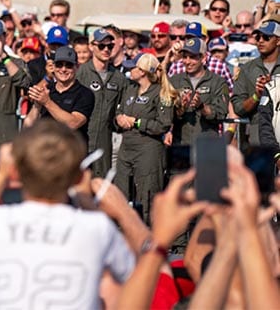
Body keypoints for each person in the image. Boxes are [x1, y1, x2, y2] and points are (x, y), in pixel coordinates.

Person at [0, 120, 135, 309]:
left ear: (14, 173)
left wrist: (0, 177)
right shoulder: (97, 228)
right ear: (78, 177)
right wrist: (103, 207)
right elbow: (137, 274)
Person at [114, 53, 176, 223]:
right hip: (126, 148)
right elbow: (119, 110)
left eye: (133, 67)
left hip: (148, 149)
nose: (129, 70)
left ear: (142, 71)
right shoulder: (130, 89)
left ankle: (149, 234)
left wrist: (138, 122)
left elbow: (163, 124)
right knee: (121, 192)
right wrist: (119, 118)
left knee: (147, 196)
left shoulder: (161, 93)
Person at [75, 29, 129, 176]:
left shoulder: (119, 78)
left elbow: (121, 109)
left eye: (110, 46)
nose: (106, 50)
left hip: (105, 142)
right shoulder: (81, 73)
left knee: (101, 184)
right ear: (92, 46)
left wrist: (120, 119)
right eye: (101, 46)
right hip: (81, 139)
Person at [24, 46, 94, 144]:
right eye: (59, 65)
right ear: (53, 67)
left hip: (71, 153)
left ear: (77, 67)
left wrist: (47, 102)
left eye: (69, 65)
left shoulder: (84, 94)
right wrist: (37, 105)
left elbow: (73, 123)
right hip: (45, 151)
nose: (63, 69)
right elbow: (28, 125)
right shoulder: (47, 90)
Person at [170, 37, 229, 147]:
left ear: (203, 58)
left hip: (208, 145)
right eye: (184, 57)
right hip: (180, 145)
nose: (187, 62)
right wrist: (180, 109)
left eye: (192, 57)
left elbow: (221, 114)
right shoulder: (174, 81)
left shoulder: (218, 82)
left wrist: (202, 107)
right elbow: (164, 115)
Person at [230, 20, 280, 148]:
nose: (260, 41)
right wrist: (257, 95)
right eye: (258, 37)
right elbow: (238, 108)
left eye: (266, 37)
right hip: (258, 133)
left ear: (278, 40)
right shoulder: (247, 69)